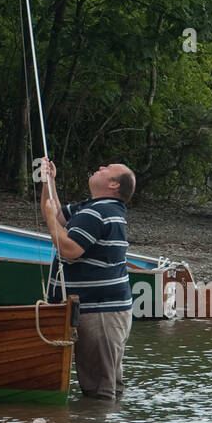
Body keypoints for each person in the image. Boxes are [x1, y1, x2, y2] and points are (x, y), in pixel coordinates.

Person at [40, 160, 136, 401]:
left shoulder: (99, 212)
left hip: (101, 311)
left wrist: (52, 221)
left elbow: (70, 249)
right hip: (103, 309)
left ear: (113, 184)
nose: (100, 166)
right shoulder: (94, 207)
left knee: (100, 391)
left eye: (107, 169)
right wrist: (48, 181)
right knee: (107, 385)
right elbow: (57, 213)